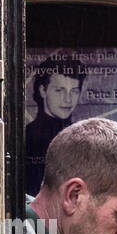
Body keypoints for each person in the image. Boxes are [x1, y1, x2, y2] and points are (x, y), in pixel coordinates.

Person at [26, 57, 86, 197]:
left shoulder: (85, 140)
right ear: (43, 91)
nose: (67, 99)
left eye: (74, 91)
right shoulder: (26, 138)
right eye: (59, 90)